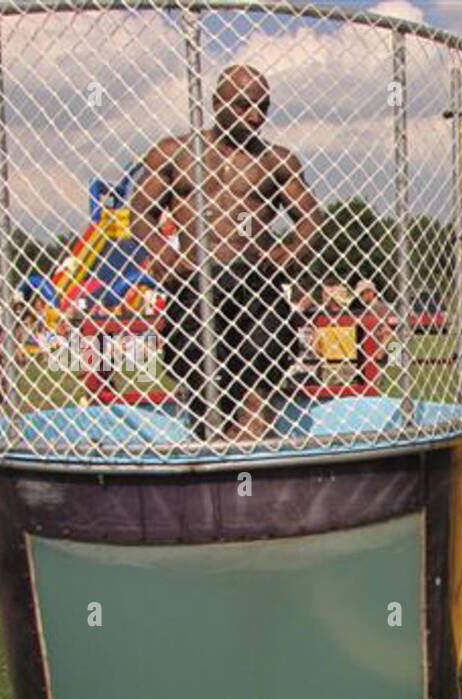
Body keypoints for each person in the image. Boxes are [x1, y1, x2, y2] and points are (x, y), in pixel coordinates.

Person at [132, 64, 322, 440]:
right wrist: (163, 258)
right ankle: (214, 446)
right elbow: (141, 210)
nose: (254, 116)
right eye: (242, 105)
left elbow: (310, 218)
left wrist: (286, 257)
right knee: (200, 369)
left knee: (262, 364)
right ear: (217, 103)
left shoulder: (277, 161)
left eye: (262, 107)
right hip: (195, 279)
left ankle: (257, 446)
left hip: (255, 278)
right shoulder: (175, 153)